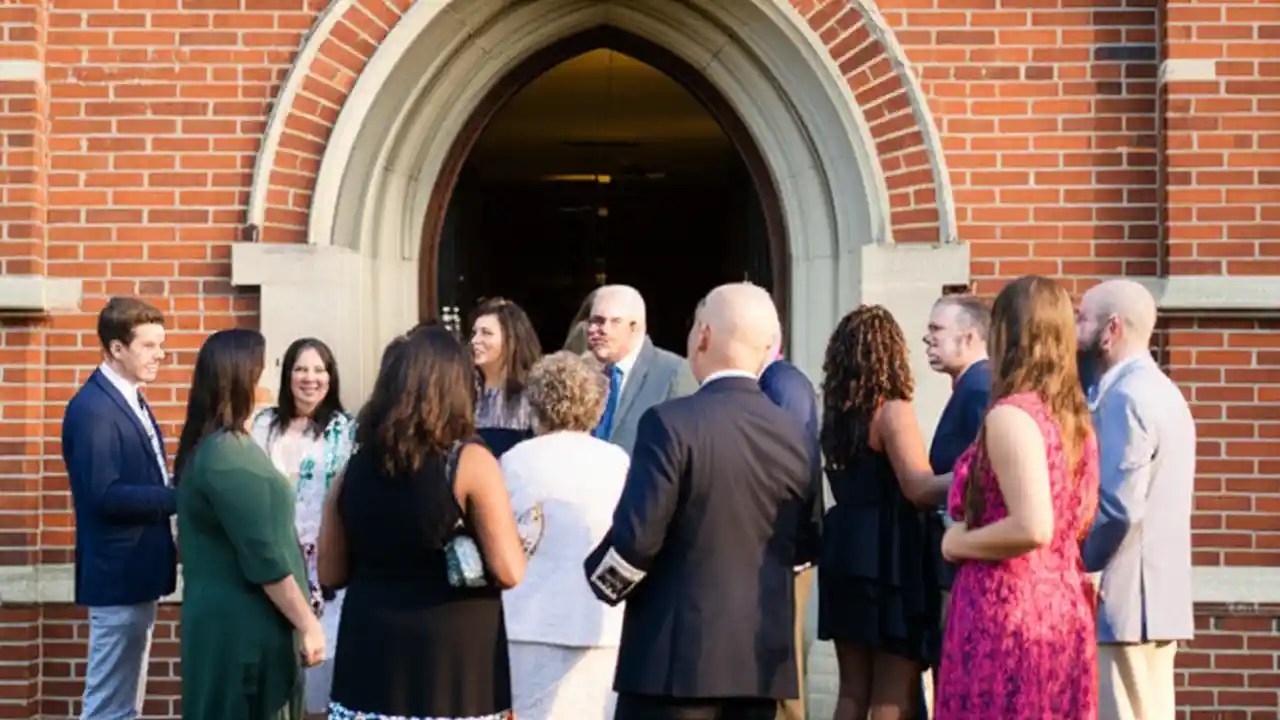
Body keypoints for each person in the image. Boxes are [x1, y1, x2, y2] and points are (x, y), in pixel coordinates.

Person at [584, 282, 822, 720]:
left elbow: (638, 539)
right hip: (758, 662)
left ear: (705, 336)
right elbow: (806, 545)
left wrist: (597, 582)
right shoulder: (796, 435)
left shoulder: (670, 423)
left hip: (673, 661)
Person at [318, 325, 526, 720]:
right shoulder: (469, 462)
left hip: (368, 657)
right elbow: (510, 569)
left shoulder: (355, 466)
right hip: (453, 665)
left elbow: (330, 571)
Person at [936, 275, 1100, 719]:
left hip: (1008, 609)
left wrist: (957, 543)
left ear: (1005, 332)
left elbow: (1033, 526)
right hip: (1061, 604)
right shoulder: (1071, 418)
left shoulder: (1013, 415)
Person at [175, 328, 322, 720]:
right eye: (269, 365)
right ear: (244, 377)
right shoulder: (227, 454)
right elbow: (265, 556)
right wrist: (308, 623)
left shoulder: (230, 445)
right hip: (242, 634)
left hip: (245, 628)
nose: (278, 375)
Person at [819, 305, 950, 720]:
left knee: (852, 691)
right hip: (891, 554)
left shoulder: (837, 414)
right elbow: (918, 488)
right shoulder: (891, 409)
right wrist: (971, 474)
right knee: (892, 692)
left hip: (844, 547)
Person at [1078, 279, 1196, 720]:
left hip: (1124, 597)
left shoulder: (1125, 397)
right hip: (1155, 597)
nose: (1075, 329)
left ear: (1111, 329)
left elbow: (1118, 506)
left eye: (1082, 318)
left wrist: (1081, 564)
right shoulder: (1162, 390)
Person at [62, 296, 176, 720]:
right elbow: (104, 496)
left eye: (160, 344)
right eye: (148, 345)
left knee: (123, 705)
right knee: (109, 707)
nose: (160, 355)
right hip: (118, 575)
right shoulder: (93, 409)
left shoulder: (128, 398)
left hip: (136, 575)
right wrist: (181, 497)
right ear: (116, 349)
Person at [500, 351, 630, 720]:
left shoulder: (515, 460)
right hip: (600, 622)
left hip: (529, 621)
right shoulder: (616, 461)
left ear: (536, 402)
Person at [250, 337, 356, 718]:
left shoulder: (346, 430)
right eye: (300, 369)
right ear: (287, 374)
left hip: (328, 569)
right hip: (276, 566)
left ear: (331, 377)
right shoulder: (263, 426)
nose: (310, 378)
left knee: (324, 678)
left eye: (319, 369)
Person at [758, 335, 820, 720]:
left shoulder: (783, 383)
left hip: (784, 546)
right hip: (776, 545)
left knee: (785, 662)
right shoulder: (776, 382)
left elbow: (793, 464)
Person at [585, 284, 697, 453]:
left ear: (634, 327)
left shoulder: (674, 373)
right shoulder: (583, 373)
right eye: (595, 321)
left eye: (614, 321)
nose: (599, 330)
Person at [470, 297, 542, 456]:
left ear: (511, 339)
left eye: (486, 333)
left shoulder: (532, 396)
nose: (475, 340)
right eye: (474, 333)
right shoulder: (466, 392)